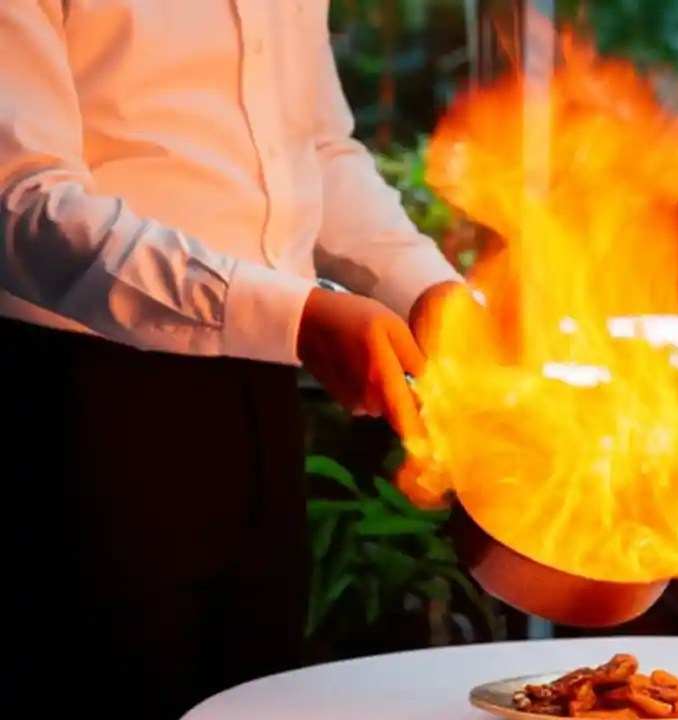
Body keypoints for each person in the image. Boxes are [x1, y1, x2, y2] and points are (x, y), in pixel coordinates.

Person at [0, 2, 461, 717]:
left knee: (253, 696)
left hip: (262, 396)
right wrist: (293, 315)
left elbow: (317, 149)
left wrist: (422, 283)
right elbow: (21, 204)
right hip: (81, 404)